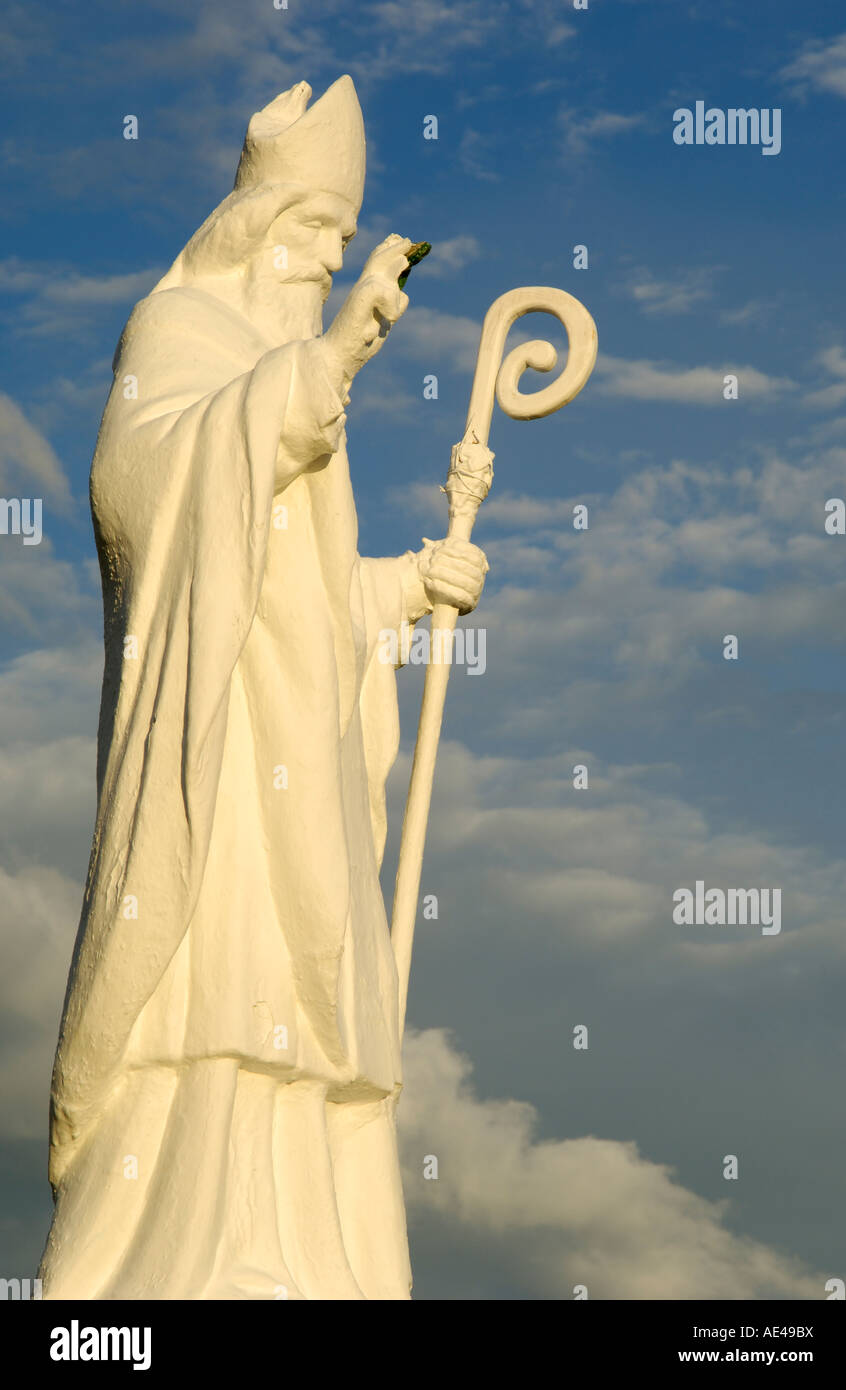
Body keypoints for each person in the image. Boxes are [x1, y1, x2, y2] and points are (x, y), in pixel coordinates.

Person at [40, 74, 488, 1301]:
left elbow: (304, 593)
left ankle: (303, 1258)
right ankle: (176, 1264)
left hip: (298, 750)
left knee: (300, 991)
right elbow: (146, 495)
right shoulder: (174, 332)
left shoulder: (293, 363)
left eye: (343, 246)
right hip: (214, 745)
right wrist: (325, 362)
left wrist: (408, 585)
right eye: (318, 237)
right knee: (210, 972)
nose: (328, 262)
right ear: (260, 223)